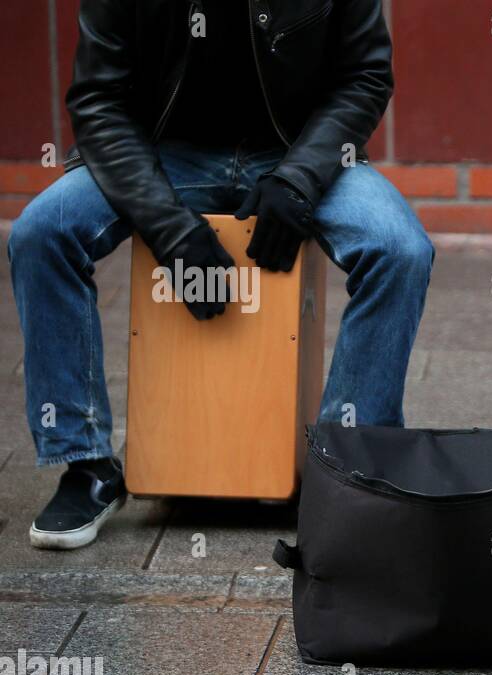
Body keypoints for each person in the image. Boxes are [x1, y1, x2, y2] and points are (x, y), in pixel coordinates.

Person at [7, 0, 433, 550]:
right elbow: (98, 101)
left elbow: (365, 76)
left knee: (401, 251)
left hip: (296, 150)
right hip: (161, 154)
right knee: (41, 235)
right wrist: (170, 231)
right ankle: (86, 465)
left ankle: (344, 471)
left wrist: (300, 178)